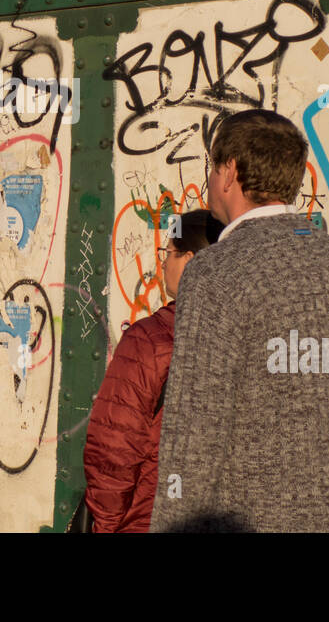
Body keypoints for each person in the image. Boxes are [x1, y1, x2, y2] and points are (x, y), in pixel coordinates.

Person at [150, 109, 329, 532]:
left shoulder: (216, 274)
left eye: (213, 168)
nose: (211, 182)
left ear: (230, 173)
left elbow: (194, 434)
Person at [84, 209, 221, 532]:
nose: (162, 263)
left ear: (189, 260)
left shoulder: (150, 340)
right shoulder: (245, 336)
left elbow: (114, 448)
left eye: (168, 253)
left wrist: (105, 524)